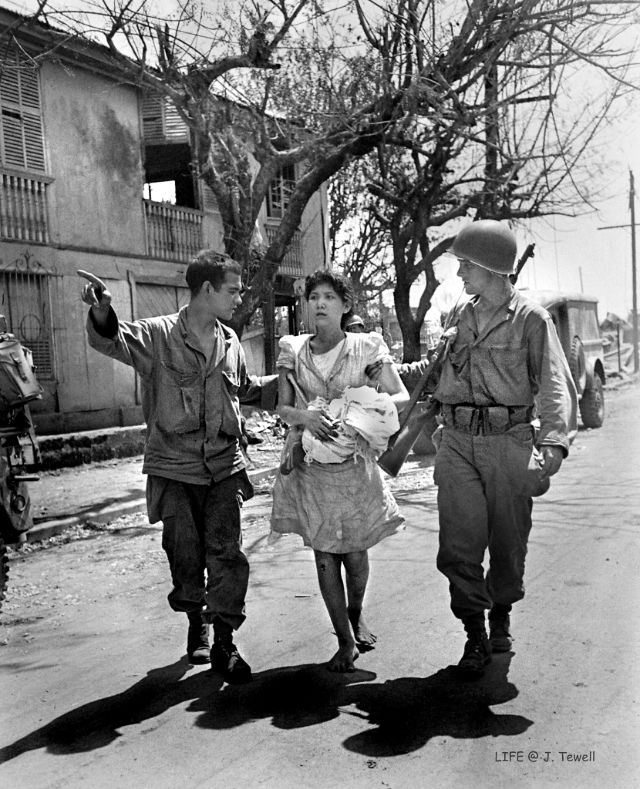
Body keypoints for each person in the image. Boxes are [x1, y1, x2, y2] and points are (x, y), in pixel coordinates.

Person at [79, 251, 277, 684]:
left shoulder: (230, 340)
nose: (239, 299)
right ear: (206, 289)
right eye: (232, 290)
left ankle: (225, 642)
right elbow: (113, 339)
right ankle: (196, 622)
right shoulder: (159, 335)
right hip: (174, 468)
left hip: (224, 466)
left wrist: (293, 379)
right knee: (185, 556)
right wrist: (100, 310)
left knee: (227, 554)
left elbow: (244, 389)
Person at [431, 220, 578, 678]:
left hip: (508, 441)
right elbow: (437, 373)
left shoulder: (532, 319)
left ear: (491, 268)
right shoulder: (459, 314)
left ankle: (501, 615)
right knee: (459, 542)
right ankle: (474, 631)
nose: (459, 276)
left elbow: (555, 383)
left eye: (465, 267)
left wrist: (554, 440)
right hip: (455, 440)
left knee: (508, 542)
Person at [271, 270, 409, 672]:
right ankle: (345, 642)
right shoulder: (292, 349)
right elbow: (282, 408)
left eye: (329, 296)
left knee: (355, 552)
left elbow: (398, 395)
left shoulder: (366, 347)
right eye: (313, 296)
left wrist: (360, 409)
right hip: (312, 466)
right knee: (324, 555)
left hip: (354, 464)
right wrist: (308, 419)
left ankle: (356, 610)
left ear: (345, 305)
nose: (319, 303)